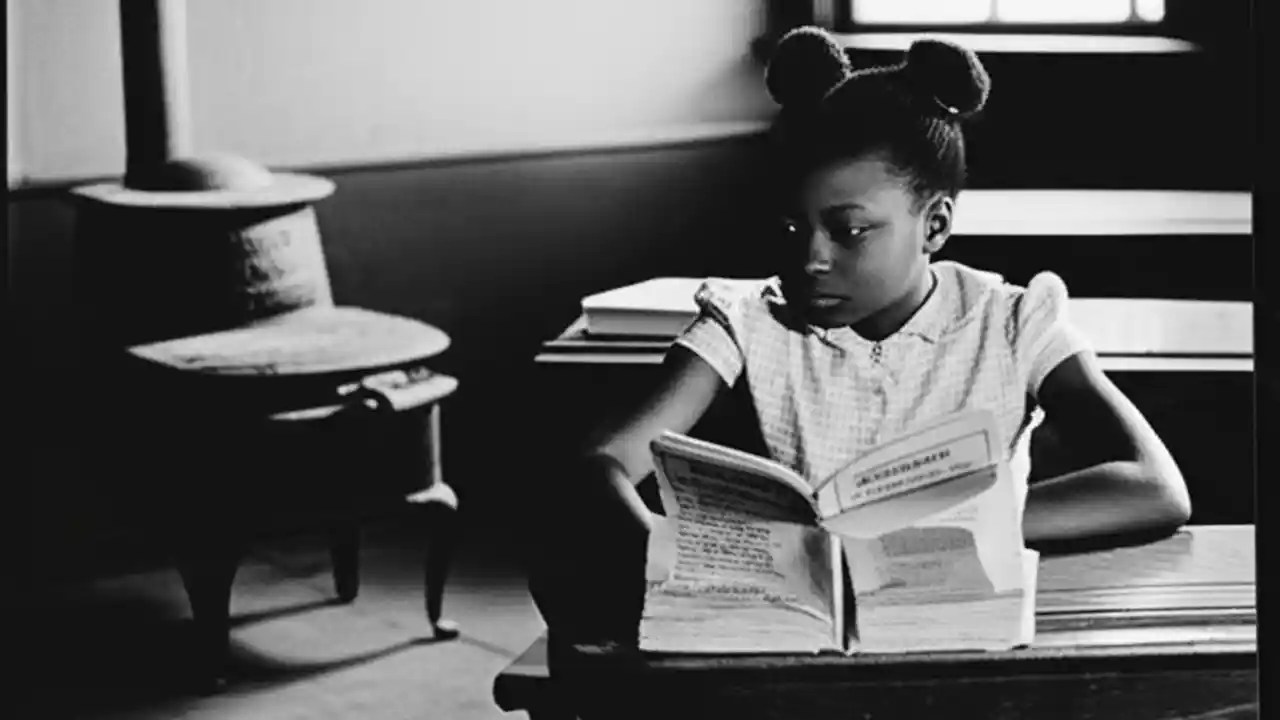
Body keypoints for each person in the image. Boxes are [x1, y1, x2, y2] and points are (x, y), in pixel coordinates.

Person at [531, 27, 1191, 644]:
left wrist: (949, 528)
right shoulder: (746, 317)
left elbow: (1154, 486)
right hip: (806, 635)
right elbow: (604, 461)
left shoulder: (1014, 320)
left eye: (848, 231)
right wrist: (659, 544)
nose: (812, 258)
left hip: (965, 632)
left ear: (933, 227)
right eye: (793, 228)